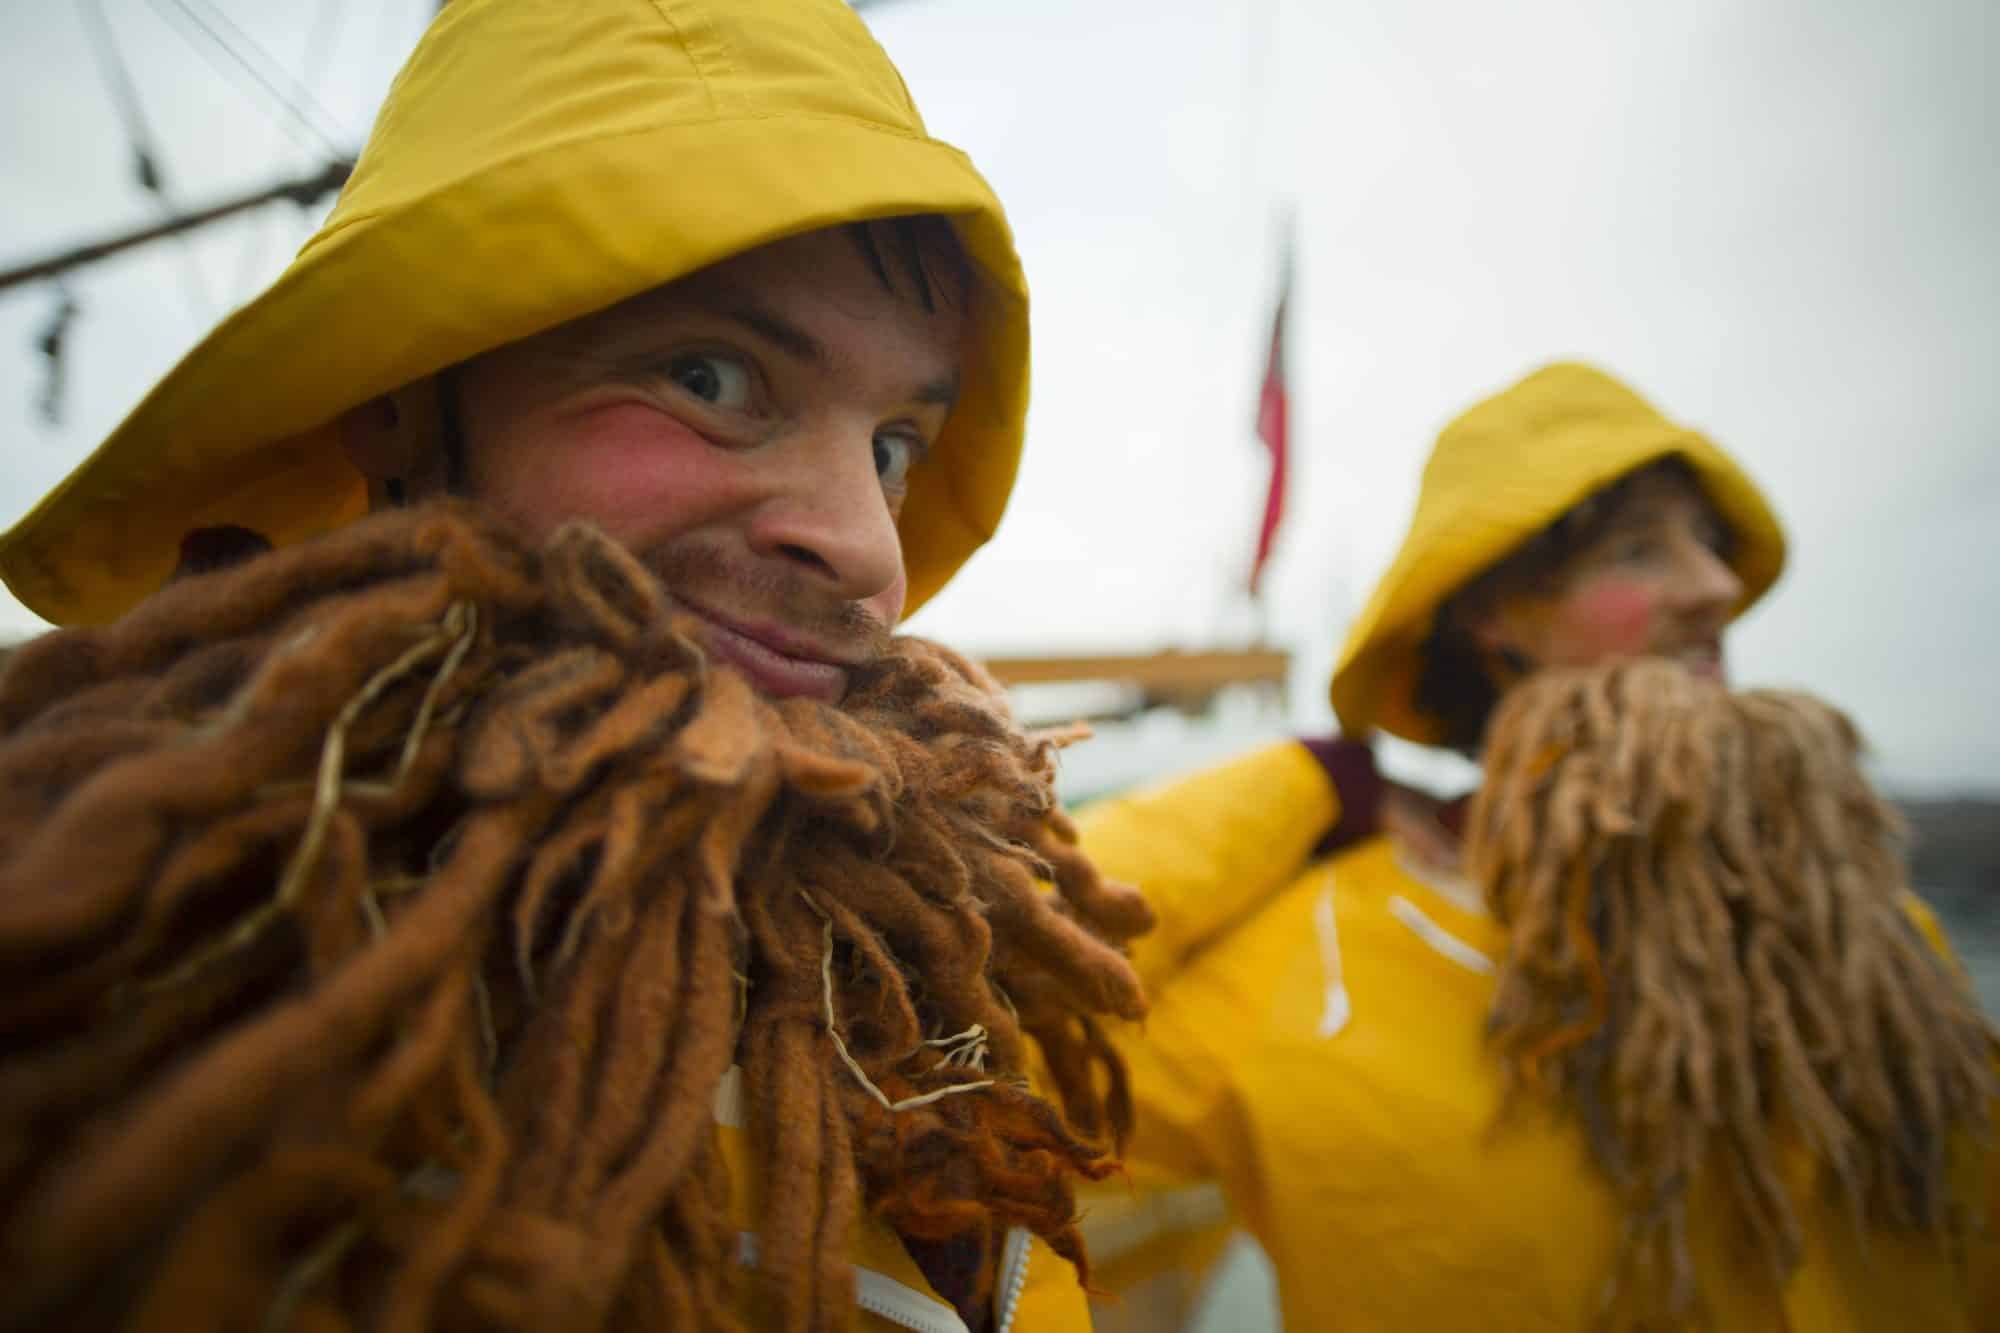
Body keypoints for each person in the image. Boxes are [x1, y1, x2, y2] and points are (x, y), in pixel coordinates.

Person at [0, 2, 1153, 1330]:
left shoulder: (937, 963)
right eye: (710, 376)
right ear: (403, 388)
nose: (864, 548)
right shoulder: (111, 974)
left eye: (895, 446)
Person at [1074, 361, 2000, 1330]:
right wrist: (1298, 784)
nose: (1717, 586)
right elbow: (966, 1055)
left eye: (1710, 544)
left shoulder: (1868, 941)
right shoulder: (1317, 958)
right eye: (1638, 551)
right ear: (1487, 614)